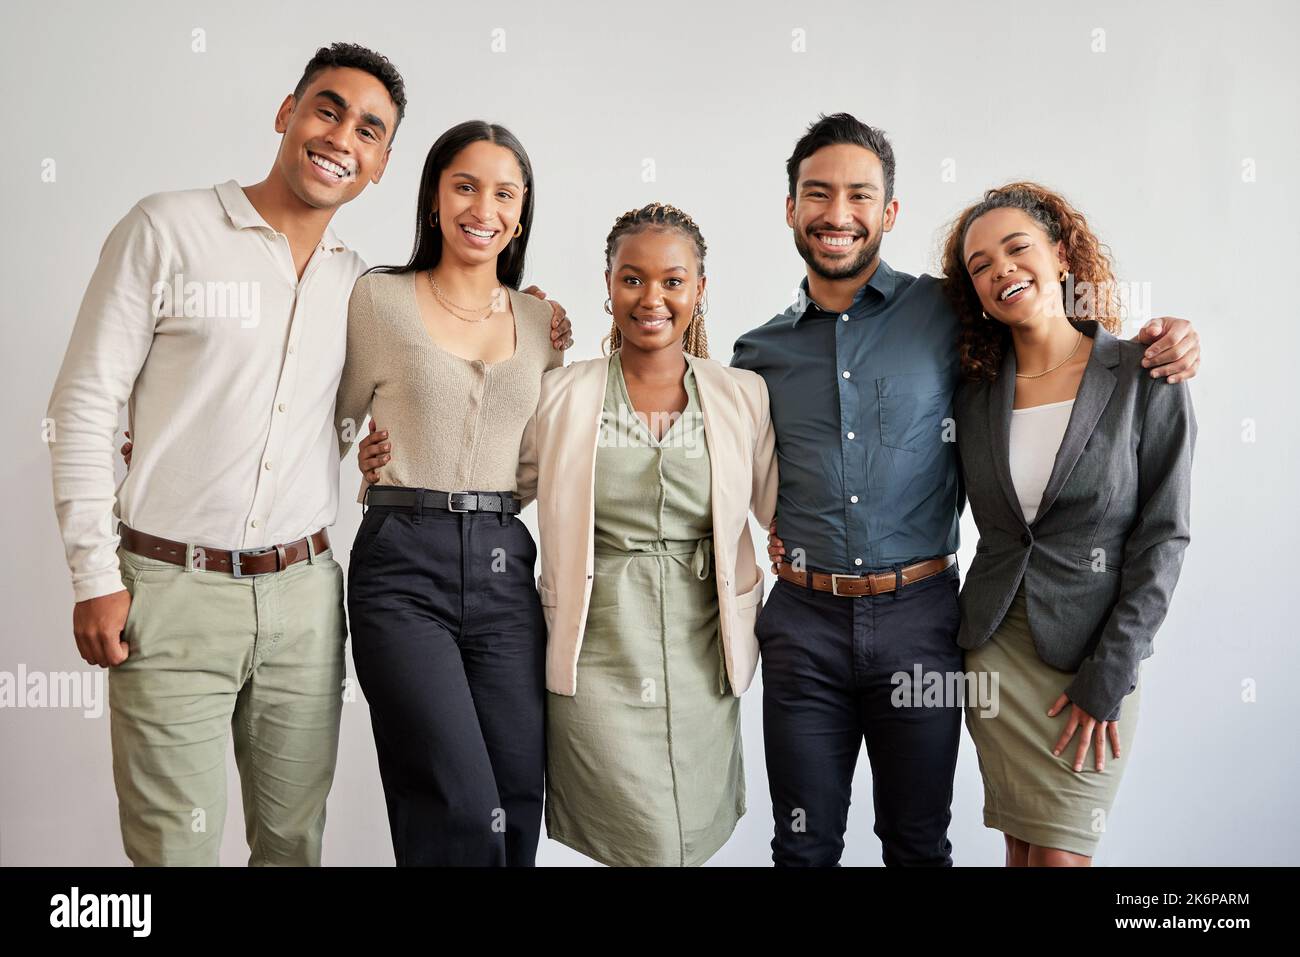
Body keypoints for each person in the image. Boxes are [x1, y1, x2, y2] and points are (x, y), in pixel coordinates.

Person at [748, 113, 1201, 867]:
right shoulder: (758, 350)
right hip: (805, 625)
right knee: (801, 846)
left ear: (888, 213)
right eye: (816, 194)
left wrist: (1177, 337)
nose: (837, 213)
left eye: (859, 194)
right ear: (790, 207)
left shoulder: (944, 313)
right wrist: (539, 318)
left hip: (921, 621)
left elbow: (1061, 336)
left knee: (920, 844)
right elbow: (721, 443)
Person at [46, 43, 405, 866]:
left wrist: (531, 313)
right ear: (287, 114)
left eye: (369, 129)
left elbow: (407, 377)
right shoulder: (167, 227)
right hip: (168, 594)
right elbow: (85, 402)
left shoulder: (361, 287)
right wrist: (94, 574)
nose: (341, 135)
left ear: (380, 164)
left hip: (307, 601)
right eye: (327, 108)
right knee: (174, 851)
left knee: (291, 846)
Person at [334, 121, 566, 866]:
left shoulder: (539, 322)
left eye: (504, 193)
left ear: (521, 213)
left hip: (504, 566)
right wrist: (368, 461)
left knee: (516, 795)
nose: (483, 207)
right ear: (435, 197)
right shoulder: (378, 300)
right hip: (403, 565)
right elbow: (317, 421)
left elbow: (544, 458)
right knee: (457, 801)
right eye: (465, 185)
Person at [942, 182, 1194, 866]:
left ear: (1060, 254)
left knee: (1060, 857)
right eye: (981, 265)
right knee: (1022, 854)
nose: (1002, 270)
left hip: (1093, 657)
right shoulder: (970, 392)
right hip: (995, 652)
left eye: (1017, 248)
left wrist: (1110, 672)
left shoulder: (1144, 371)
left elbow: (1163, 537)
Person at [519, 204, 778, 866]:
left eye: (673, 280)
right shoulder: (564, 392)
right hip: (598, 640)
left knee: (685, 834)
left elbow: (783, 509)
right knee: (638, 841)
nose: (652, 298)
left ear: (699, 288)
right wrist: (387, 463)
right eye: (632, 279)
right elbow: (498, 479)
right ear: (608, 285)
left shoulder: (741, 393)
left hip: (703, 646)